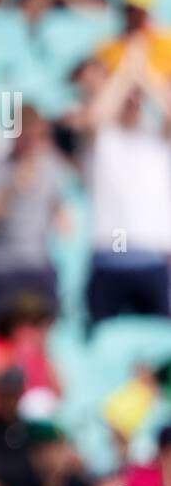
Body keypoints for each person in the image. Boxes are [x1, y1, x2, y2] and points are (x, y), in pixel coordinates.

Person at [77, 39, 171, 323]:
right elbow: (94, 117)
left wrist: (143, 76)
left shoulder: (158, 141)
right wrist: (126, 74)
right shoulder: (105, 139)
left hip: (153, 261)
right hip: (107, 259)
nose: (132, 102)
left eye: (136, 98)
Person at [0, 104, 69, 323]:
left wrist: (62, 217)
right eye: (27, 135)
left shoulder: (52, 167)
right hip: (5, 267)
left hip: (40, 264)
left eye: (38, 135)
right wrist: (12, 188)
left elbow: (60, 210)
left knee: (42, 338)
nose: (32, 143)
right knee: (1, 341)